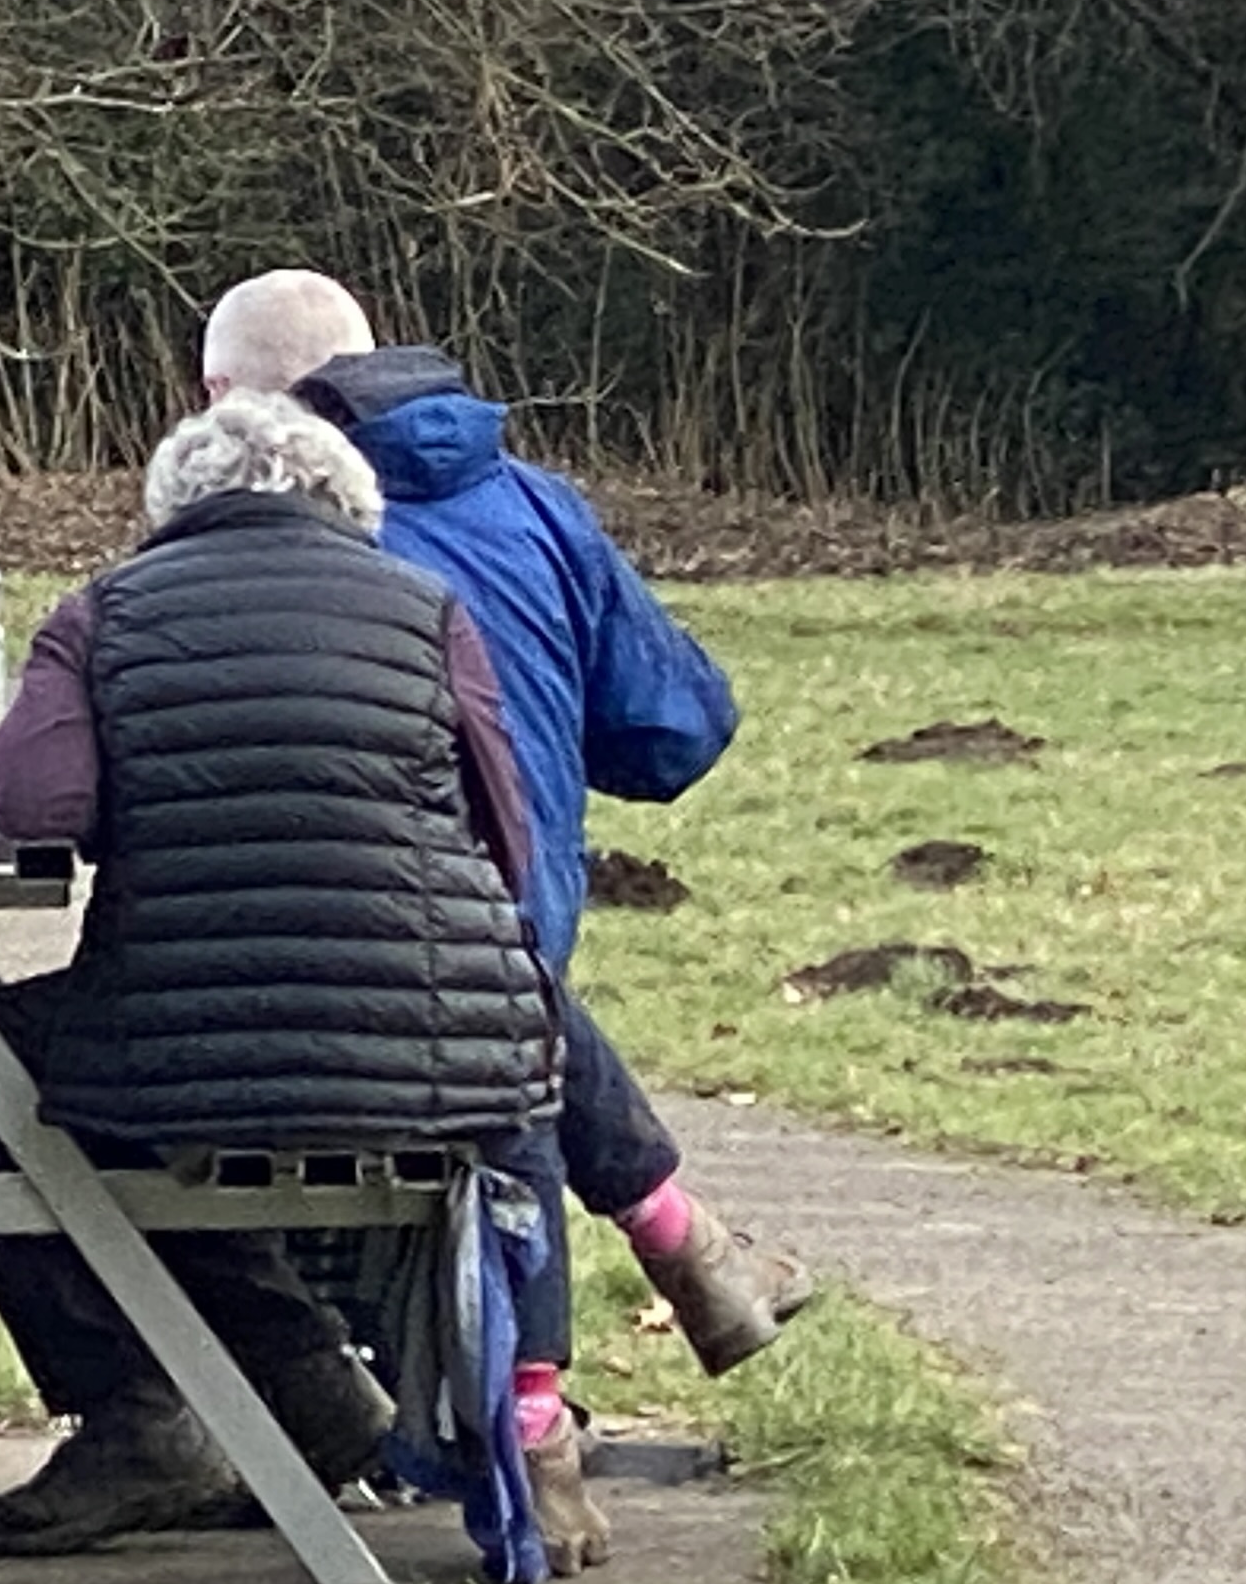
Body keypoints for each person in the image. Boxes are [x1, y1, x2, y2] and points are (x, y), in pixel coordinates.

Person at [0, 392, 599, 1574]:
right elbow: (507, 836)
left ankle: (146, 1410)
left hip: (183, 1060)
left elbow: (37, 810)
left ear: (173, 512)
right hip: (433, 1059)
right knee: (118, 1081)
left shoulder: (102, 616)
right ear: (352, 510)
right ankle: (305, 1386)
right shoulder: (433, 614)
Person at [205, 270, 815, 1392]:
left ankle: (469, 1407)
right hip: (514, 938)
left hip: (326, 968)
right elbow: (676, 730)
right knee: (504, 973)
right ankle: (675, 1256)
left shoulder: (243, 543)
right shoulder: (536, 504)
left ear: (213, 396)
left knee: (451, 975)